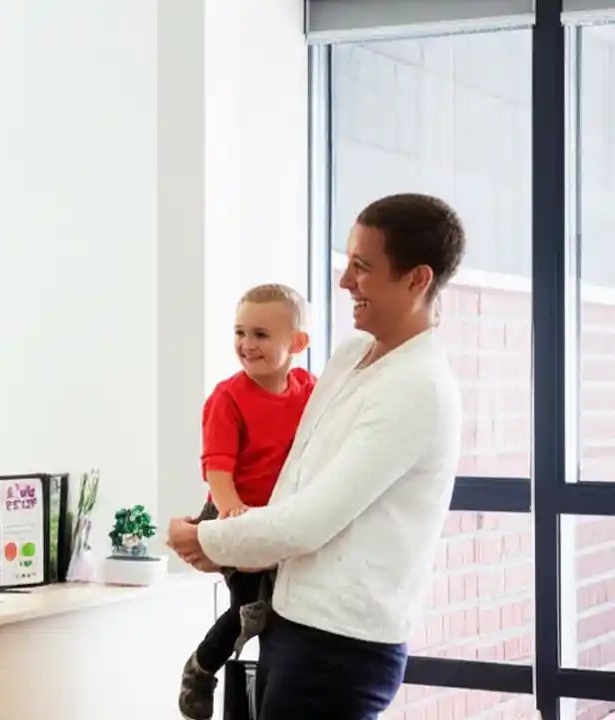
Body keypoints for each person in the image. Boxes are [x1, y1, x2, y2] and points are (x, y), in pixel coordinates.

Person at [168, 192, 464, 719]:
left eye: (361, 267)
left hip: (341, 646)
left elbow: (310, 520)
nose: (344, 280)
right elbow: (296, 479)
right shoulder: (353, 355)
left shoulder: (417, 389)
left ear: (417, 280)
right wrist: (229, 535)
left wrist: (209, 539)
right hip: (293, 618)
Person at [178, 284, 316, 720]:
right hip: (229, 510)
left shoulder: (308, 391)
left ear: (296, 343)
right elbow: (217, 465)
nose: (246, 345)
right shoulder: (228, 397)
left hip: (272, 520)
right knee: (249, 611)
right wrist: (232, 517)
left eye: (260, 335)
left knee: (279, 612)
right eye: (240, 332)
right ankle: (201, 669)